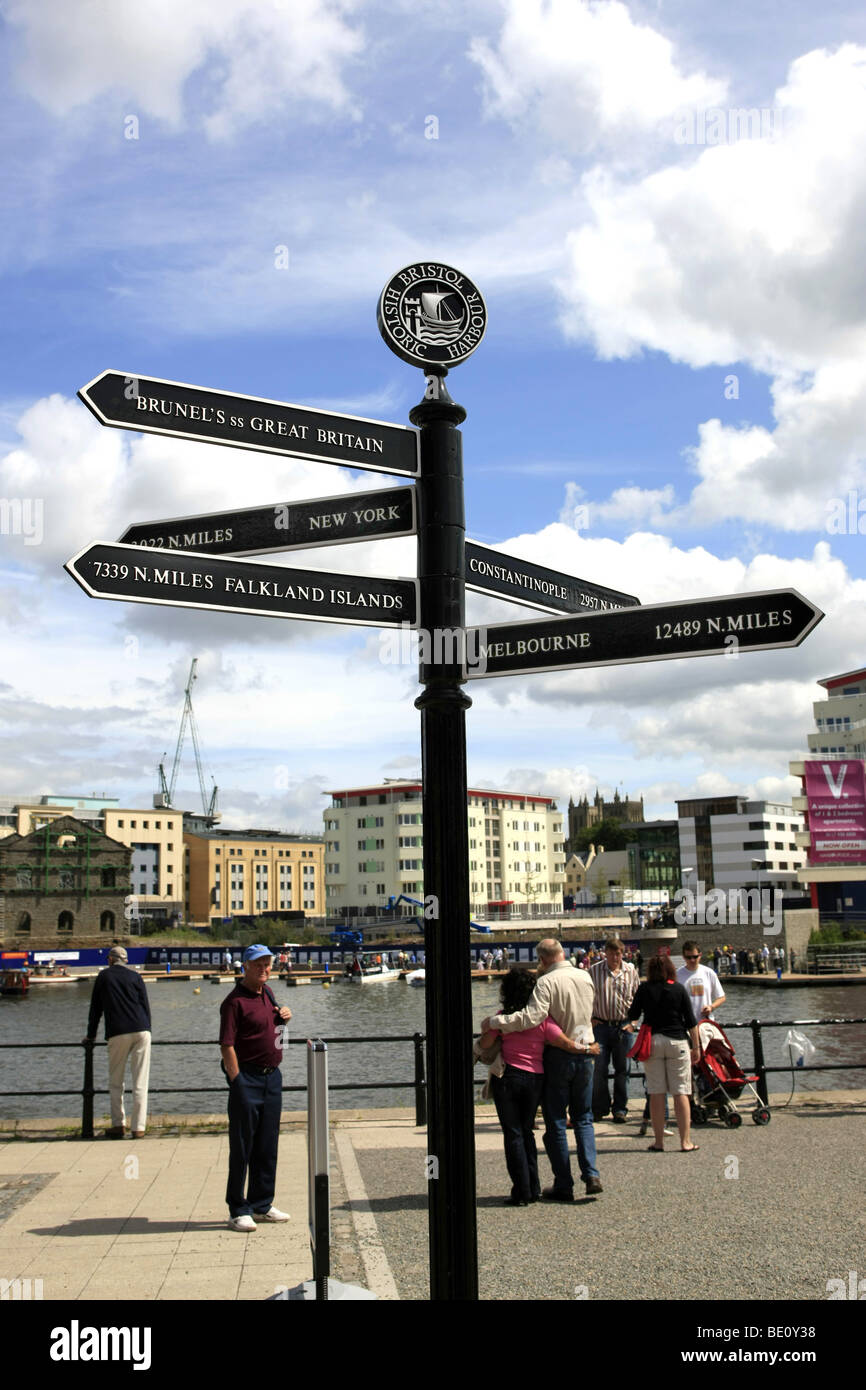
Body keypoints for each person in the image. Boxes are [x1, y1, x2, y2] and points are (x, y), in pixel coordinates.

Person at [482, 938, 601, 1201]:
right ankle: (591, 1173)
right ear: (562, 953)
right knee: (584, 1118)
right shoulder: (585, 976)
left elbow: (532, 1018)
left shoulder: (546, 982)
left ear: (543, 959)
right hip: (586, 1050)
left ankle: (563, 1184)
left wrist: (496, 1021)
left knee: (556, 1122)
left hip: (558, 1055)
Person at [219, 944, 292, 1232]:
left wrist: (285, 1018)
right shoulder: (234, 1002)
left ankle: (261, 1204)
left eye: (267, 963)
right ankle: (238, 1209)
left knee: (267, 1144)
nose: (264, 968)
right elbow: (227, 1045)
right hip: (246, 1079)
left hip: (272, 1077)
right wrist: (236, 1082)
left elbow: (276, 1033)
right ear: (245, 967)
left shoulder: (269, 994)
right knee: (242, 1147)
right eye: (258, 964)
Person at [628, 953, 700, 1151]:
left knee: (656, 1093)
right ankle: (685, 1141)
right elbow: (691, 1021)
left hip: (653, 1041)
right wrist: (696, 1046)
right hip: (677, 1041)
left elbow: (632, 1014)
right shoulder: (678, 989)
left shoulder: (644, 989)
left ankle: (659, 1141)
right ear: (670, 969)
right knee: (681, 1092)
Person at [83, 945, 152, 1139]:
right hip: (142, 1029)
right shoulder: (136, 977)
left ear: (110, 960)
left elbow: (95, 1010)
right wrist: (148, 1028)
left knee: (116, 1081)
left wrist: (91, 1035)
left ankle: (118, 1124)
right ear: (126, 961)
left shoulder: (104, 977)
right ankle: (138, 1127)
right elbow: (145, 1006)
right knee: (140, 1082)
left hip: (118, 1031)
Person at [589, 937, 639, 1122]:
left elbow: (638, 998)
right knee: (599, 1068)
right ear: (605, 953)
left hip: (622, 1026)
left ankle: (620, 1109)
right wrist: (589, 1018)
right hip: (600, 1026)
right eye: (611, 953)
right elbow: (585, 996)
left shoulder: (630, 971)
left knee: (622, 1069)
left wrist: (633, 1023)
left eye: (618, 953)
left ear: (622, 953)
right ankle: (600, 1107)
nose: (615, 957)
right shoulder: (594, 971)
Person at [676, 942, 726, 1021]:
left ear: (700, 955)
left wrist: (711, 1007)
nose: (692, 960)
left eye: (695, 957)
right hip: (684, 1023)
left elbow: (721, 997)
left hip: (706, 1023)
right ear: (683, 957)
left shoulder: (709, 973)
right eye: (688, 957)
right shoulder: (677, 975)